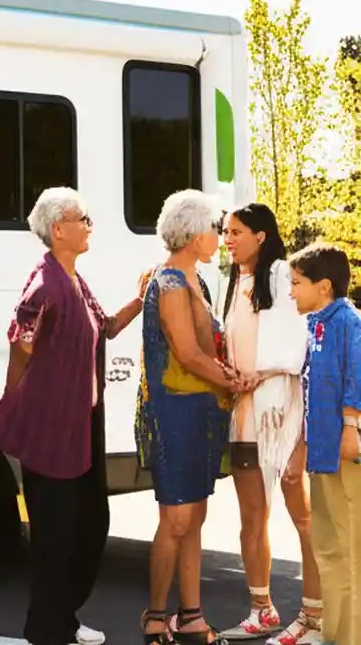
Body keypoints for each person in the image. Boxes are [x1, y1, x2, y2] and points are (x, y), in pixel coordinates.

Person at [0, 187, 148, 645]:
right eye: (84, 219)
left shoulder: (74, 279)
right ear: (59, 229)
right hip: (53, 426)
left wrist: (139, 300)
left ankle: (64, 617)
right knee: (55, 536)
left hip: (83, 424)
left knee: (90, 524)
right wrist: (14, 398)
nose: (89, 226)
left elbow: (107, 327)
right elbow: (22, 340)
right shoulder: (46, 282)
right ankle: (47, 629)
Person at [136, 189, 249, 645]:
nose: (219, 238)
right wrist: (230, 379)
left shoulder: (194, 281)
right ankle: (155, 617)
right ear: (192, 233)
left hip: (199, 410)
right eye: (214, 230)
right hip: (174, 412)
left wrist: (223, 378)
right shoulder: (168, 283)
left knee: (195, 516)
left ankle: (191, 615)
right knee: (175, 519)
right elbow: (185, 352)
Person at [217, 204, 322, 645]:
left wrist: (268, 373)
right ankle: (261, 610)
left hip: (284, 408)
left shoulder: (284, 276)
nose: (228, 239)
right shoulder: (232, 281)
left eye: (236, 232)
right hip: (244, 411)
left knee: (304, 515)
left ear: (261, 236)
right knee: (251, 515)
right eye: (225, 232)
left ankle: (315, 613)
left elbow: (303, 343)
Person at [288, 243, 361, 645]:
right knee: (329, 545)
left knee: (349, 544)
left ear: (325, 286)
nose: (292, 291)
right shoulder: (317, 322)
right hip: (322, 450)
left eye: (298, 283)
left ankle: (351, 635)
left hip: (343, 448)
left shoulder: (348, 321)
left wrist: (351, 426)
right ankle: (335, 632)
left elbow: (356, 375)